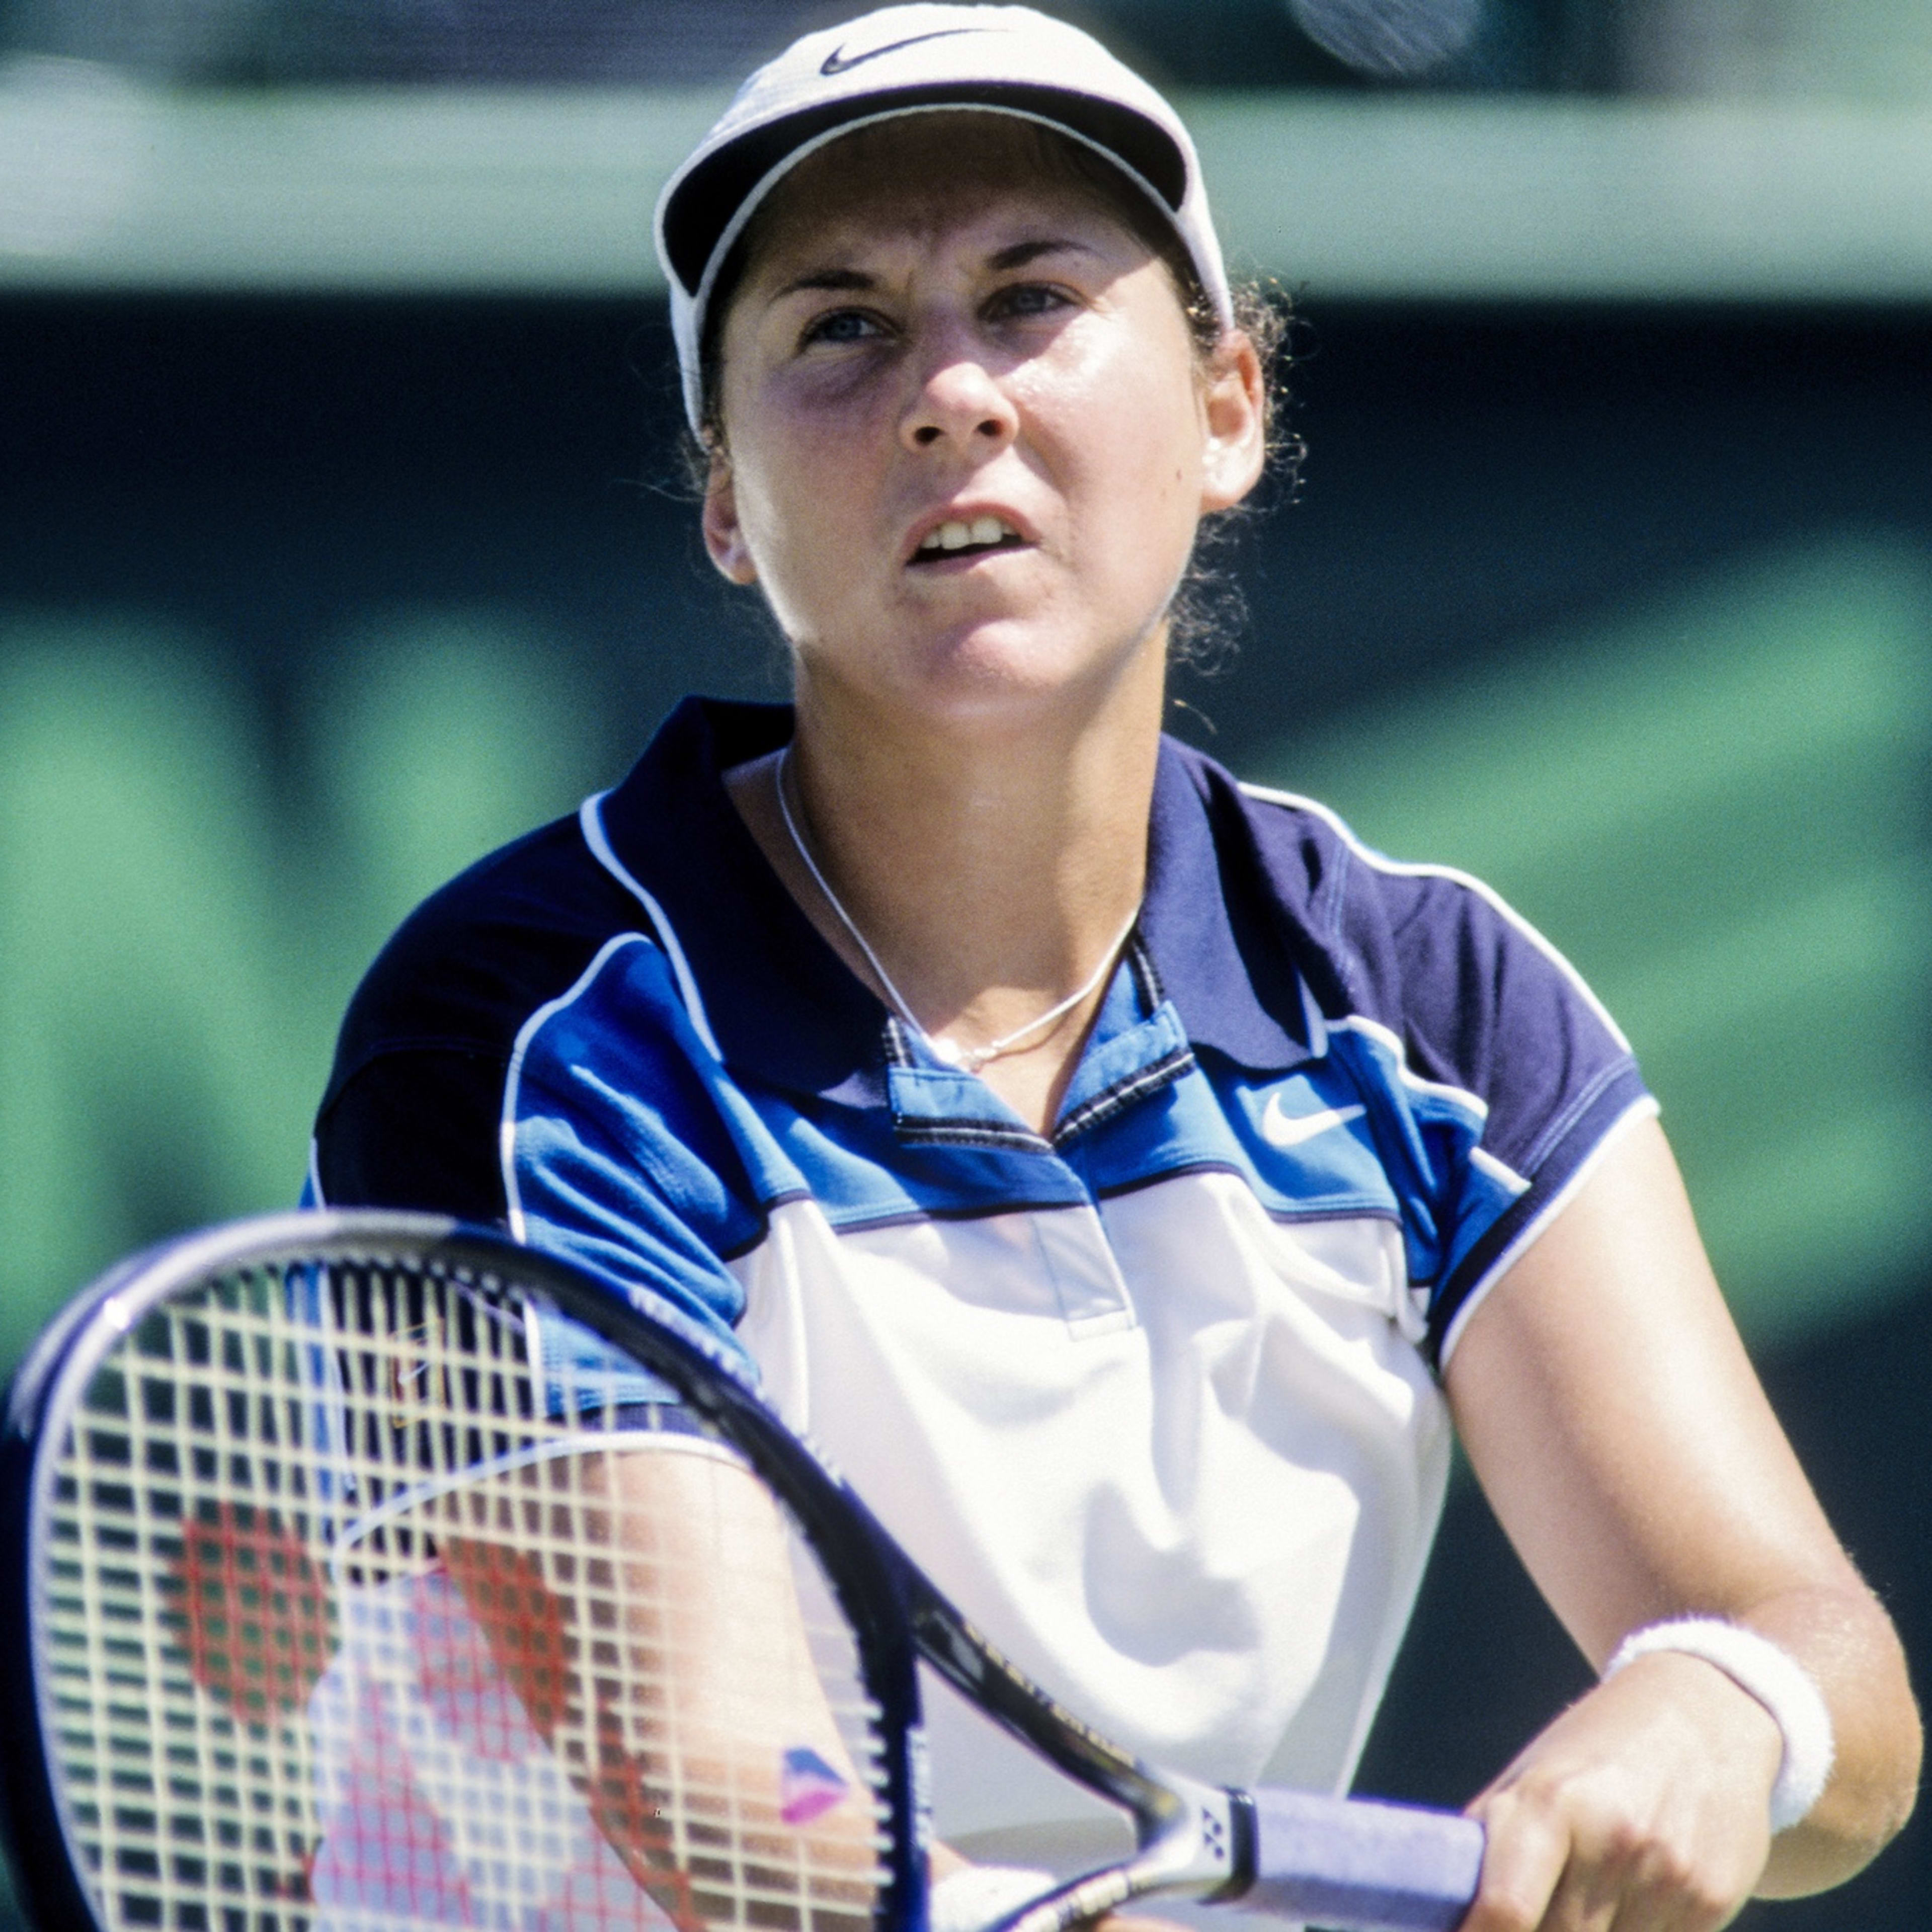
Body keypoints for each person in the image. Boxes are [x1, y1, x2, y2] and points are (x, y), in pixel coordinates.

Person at [309, 6, 1920, 1926]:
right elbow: (736, 1811)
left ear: (1230, 407)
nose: (951, 394)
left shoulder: (1438, 1012)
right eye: (841, 326)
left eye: (1032, 296)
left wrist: (1716, 1711)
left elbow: (1835, 1686)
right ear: (727, 501)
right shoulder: (528, 1029)